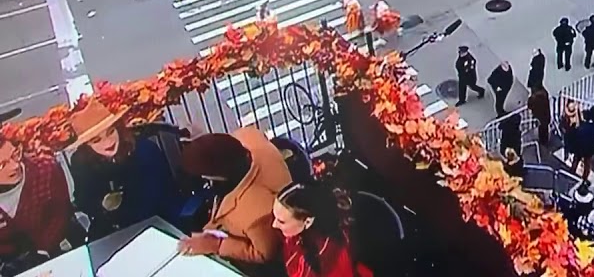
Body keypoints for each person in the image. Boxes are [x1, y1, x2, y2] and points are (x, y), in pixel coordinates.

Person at [67, 98, 180, 240]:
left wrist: (120, 208)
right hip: (109, 229)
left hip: (156, 223)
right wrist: (101, 206)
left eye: (111, 132)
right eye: (96, 140)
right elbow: (83, 198)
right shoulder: (80, 161)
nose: (108, 142)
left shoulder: (144, 151)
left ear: (118, 128)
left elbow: (157, 200)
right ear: (86, 146)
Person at [177, 127, 292, 265]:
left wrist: (218, 245)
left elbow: (265, 253)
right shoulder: (248, 137)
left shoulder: (255, 215)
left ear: (216, 177)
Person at [0, 116, 77, 266]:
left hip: (59, 249)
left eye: (15, 154)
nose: (15, 166)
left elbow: (61, 212)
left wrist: (42, 251)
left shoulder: (46, 168)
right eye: (2, 165)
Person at [272, 182, 373, 277]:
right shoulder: (297, 235)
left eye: (281, 221)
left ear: (307, 222)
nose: (274, 225)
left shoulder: (328, 257)